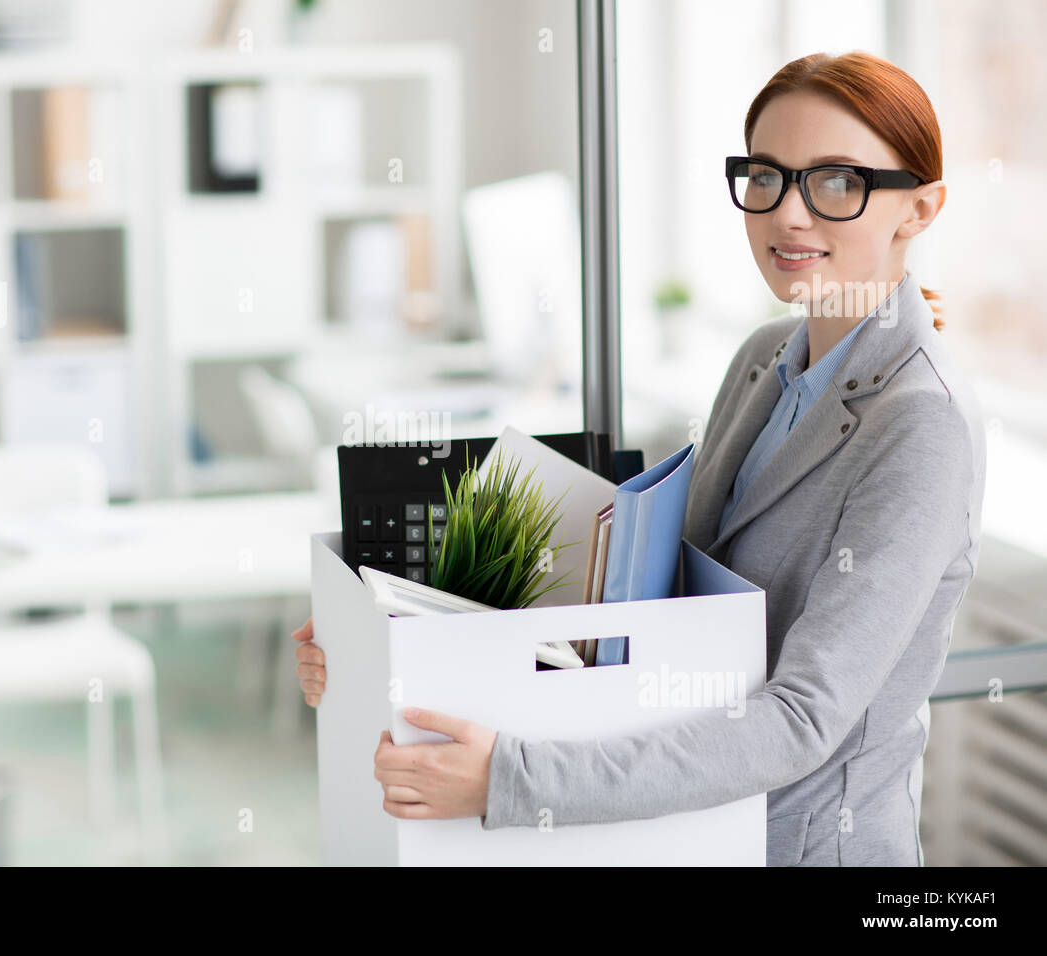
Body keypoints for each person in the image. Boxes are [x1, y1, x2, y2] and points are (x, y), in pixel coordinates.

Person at [293, 50, 986, 866]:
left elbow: (800, 719)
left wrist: (515, 780)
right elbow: (659, 603)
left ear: (921, 208)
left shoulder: (920, 424)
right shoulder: (766, 358)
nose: (789, 215)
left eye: (837, 183)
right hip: (679, 832)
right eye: (768, 176)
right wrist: (391, 651)